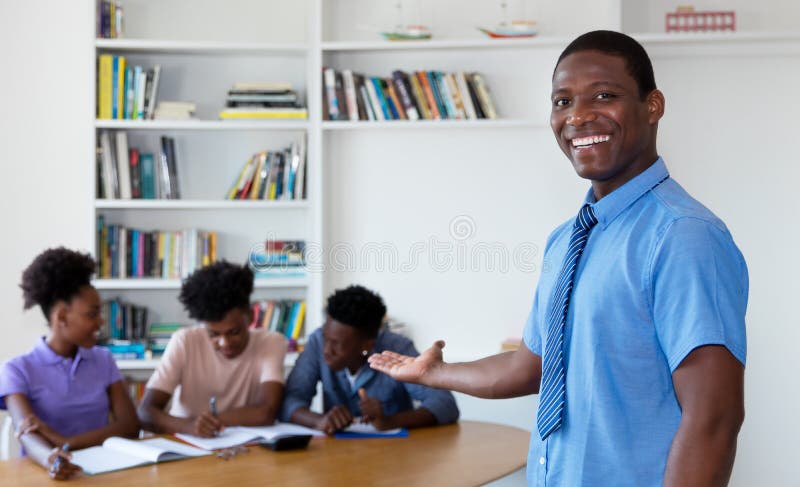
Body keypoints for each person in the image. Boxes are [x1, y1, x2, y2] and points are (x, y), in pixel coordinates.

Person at [369, 30, 747, 487]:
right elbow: (530, 367)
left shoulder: (683, 236)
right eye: (563, 102)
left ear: (653, 106)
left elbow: (715, 418)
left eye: (603, 96)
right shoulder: (567, 238)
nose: (579, 116)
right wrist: (436, 373)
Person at [0, 247, 139, 480]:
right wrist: (51, 458)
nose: (100, 322)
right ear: (61, 317)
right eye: (92, 314)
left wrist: (67, 442)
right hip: (45, 474)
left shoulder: (103, 359)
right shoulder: (17, 369)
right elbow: (26, 433)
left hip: (104, 473)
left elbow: (130, 425)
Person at [281, 285, 459, 434]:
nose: (326, 349)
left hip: (395, 458)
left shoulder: (398, 349)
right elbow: (290, 401)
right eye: (326, 338)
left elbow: (444, 403)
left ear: (367, 344)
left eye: (337, 344)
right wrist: (319, 421)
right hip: (336, 458)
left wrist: (390, 421)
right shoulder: (317, 341)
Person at [137, 261, 286, 437]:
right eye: (213, 334)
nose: (225, 343)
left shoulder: (271, 342)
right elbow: (145, 412)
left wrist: (209, 421)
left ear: (250, 316)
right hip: (187, 446)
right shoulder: (185, 341)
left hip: (243, 447)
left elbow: (266, 412)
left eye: (234, 332)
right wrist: (190, 427)